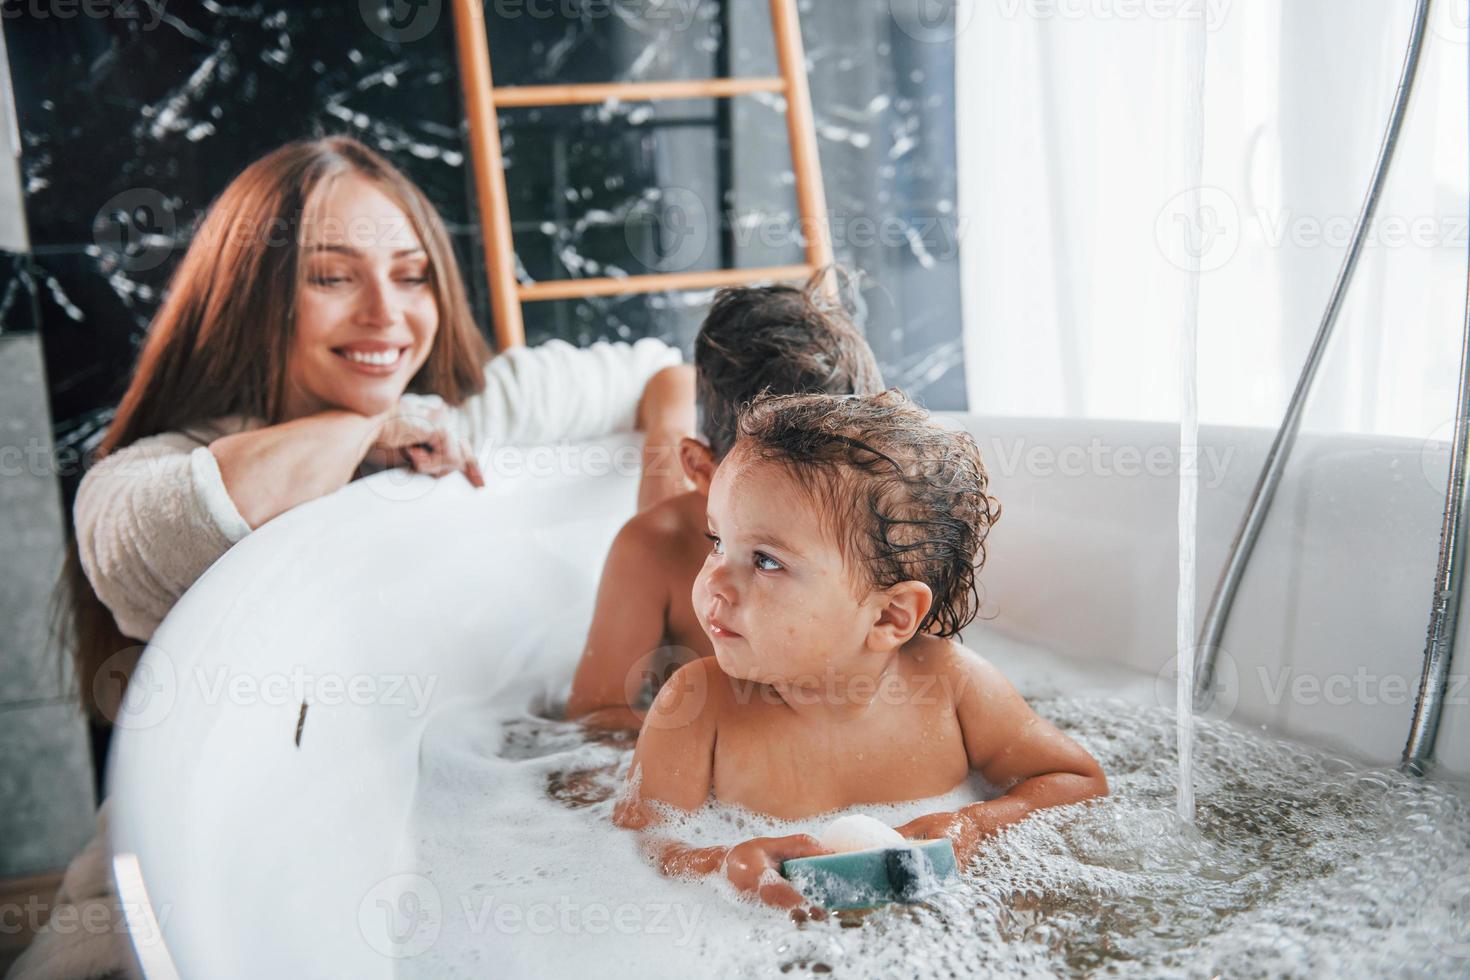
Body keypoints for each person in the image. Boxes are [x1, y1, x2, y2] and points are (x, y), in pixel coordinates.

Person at [10, 135, 694, 980]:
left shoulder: (466, 416)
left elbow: (664, 374)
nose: (386, 314)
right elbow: (175, 519)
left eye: (411, 276)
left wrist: (660, 525)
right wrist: (367, 429)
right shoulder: (134, 479)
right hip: (188, 894)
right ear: (252, 298)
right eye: (333, 277)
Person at [612, 391, 1109, 910]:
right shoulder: (697, 703)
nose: (715, 583)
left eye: (765, 560)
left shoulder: (952, 687)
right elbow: (640, 846)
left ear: (889, 616)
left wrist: (974, 824)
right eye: (717, 541)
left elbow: (1078, 782)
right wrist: (722, 863)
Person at [565, 279, 883, 730]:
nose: (805, 512)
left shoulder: (882, 526)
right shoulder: (654, 551)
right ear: (703, 469)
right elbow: (593, 714)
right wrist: (720, 741)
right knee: (663, 462)